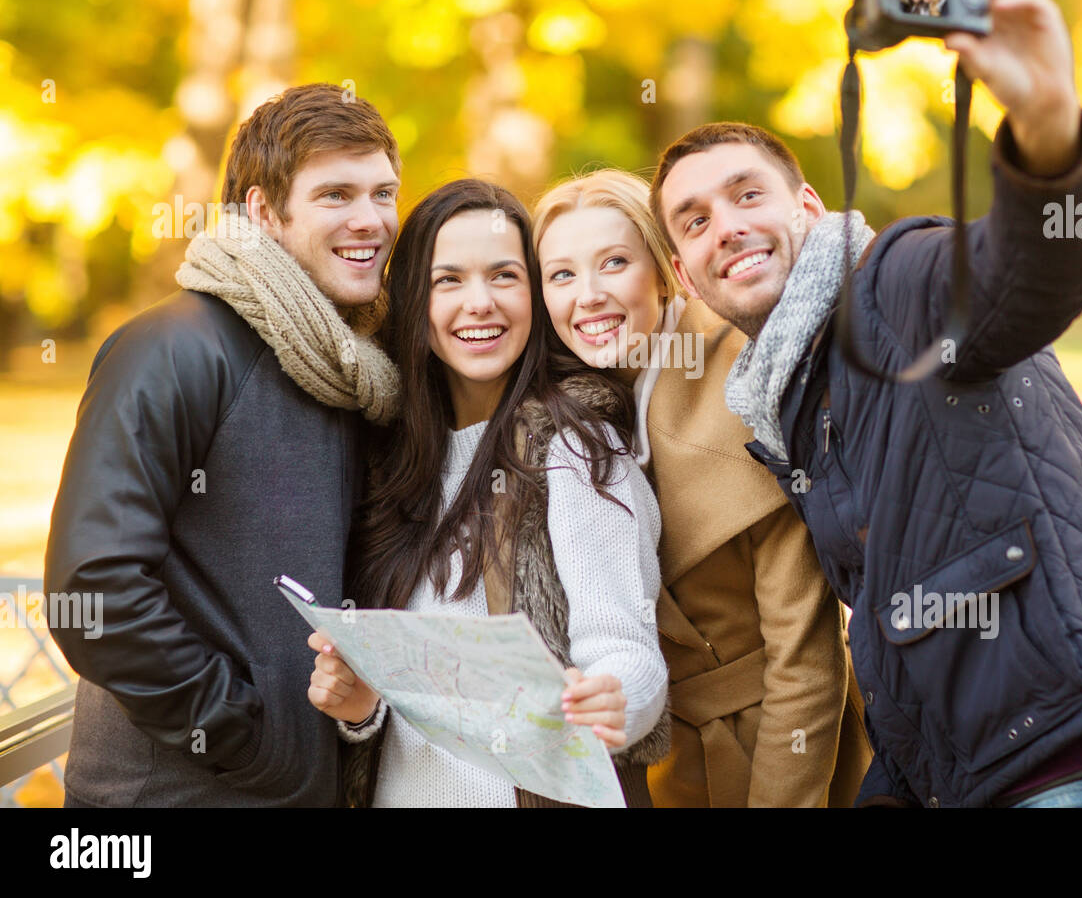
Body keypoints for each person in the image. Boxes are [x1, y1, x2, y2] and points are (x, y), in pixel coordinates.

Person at [646, 0, 1082, 808]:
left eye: (748, 195)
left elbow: (1042, 264)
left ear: (809, 207)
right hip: (979, 776)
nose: (727, 227)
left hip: (1080, 771)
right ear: (686, 276)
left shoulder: (896, 283)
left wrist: (1047, 121)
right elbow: (898, 640)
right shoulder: (794, 398)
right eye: (694, 219)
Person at [44, 82, 403, 806]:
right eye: (336, 195)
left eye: (383, 193)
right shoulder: (174, 348)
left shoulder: (348, 366)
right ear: (263, 212)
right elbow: (93, 588)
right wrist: (241, 733)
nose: (371, 220)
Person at [308, 179, 670, 807]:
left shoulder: (575, 449)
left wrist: (616, 695)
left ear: (536, 294)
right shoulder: (390, 462)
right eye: (448, 280)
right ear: (414, 300)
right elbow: (408, 699)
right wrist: (360, 706)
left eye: (504, 276)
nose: (479, 303)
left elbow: (624, 645)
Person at [531, 170, 871, 806]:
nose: (589, 296)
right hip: (664, 761)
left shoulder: (739, 388)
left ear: (666, 272)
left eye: (614, 263)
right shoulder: (565, 412)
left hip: (784, 751)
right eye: (562, 275)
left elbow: (804, 663)